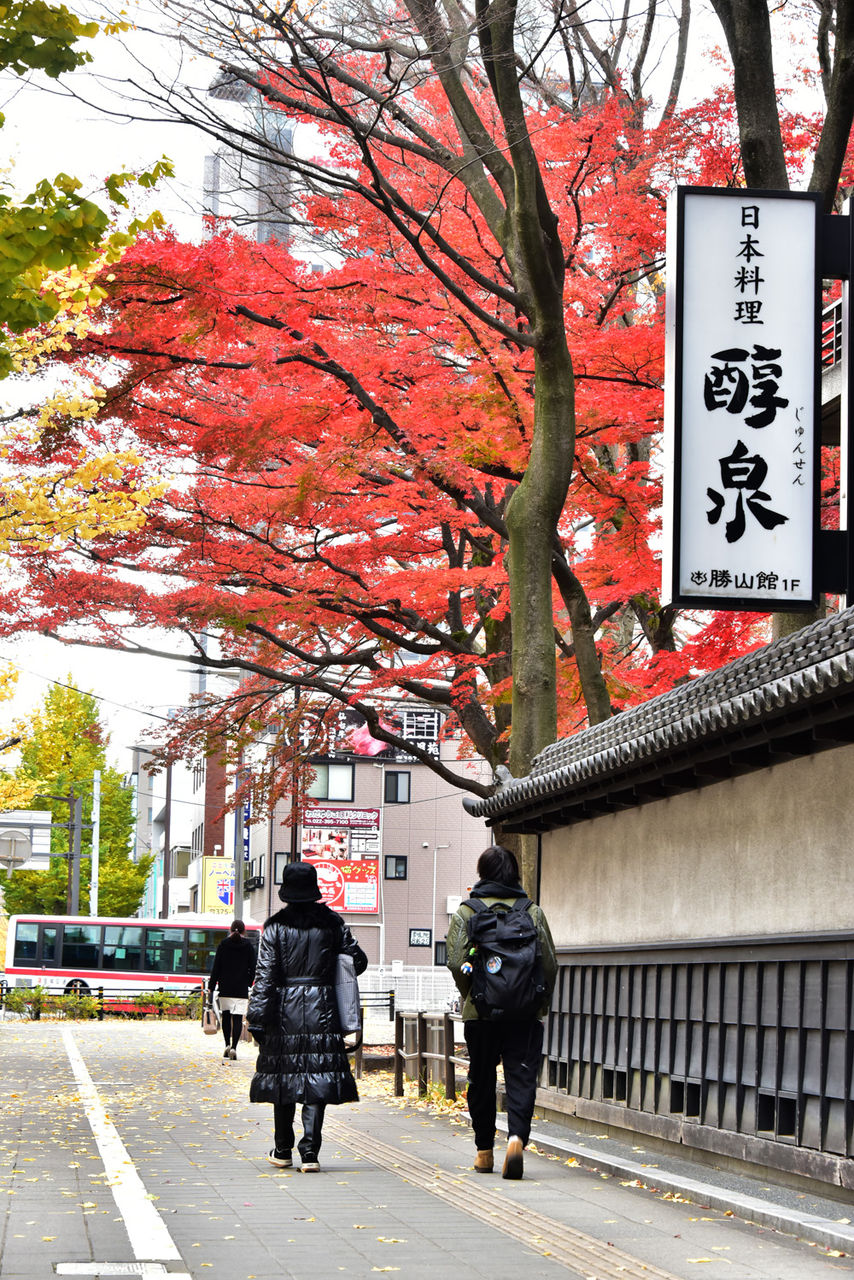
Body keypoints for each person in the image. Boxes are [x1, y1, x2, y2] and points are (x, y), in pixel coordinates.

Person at [247, 860, 368, 1172]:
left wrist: (257, 1018)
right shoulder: (332, 923)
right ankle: (310, 1153)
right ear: (315, 890)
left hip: (282, 1009)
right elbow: (358, 961)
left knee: (282, 1079)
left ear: (286, 892)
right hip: (323, 1007)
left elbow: (266, 974)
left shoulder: (274, 927)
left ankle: (282, 1149)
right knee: (317, 1077)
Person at [446, 844, 557, 1180]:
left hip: (481, 1015)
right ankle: (516, 1139)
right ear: (515, 874)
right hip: (524, 1014)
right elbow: (549, 962)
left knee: (481, 1078)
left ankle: (483, 1151)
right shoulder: (532, 912)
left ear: (482, 873)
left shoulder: (468, 912)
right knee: (522, 1078)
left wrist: (472, 997)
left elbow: (455, 960)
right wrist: (538, 1003)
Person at [208, 919, 257, 1060]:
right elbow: (253, 967)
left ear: (231, 930)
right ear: (243, 931)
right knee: (237, 1019)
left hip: (225, 987)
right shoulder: (248, 946)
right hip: (240, 988)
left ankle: (226, 1045)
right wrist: (248, 982)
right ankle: (234, 1048)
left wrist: (211, 986)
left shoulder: (223, 944)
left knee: (226, 1017)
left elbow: (216, 967)